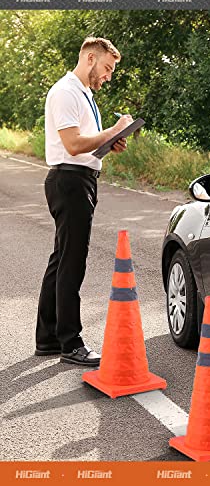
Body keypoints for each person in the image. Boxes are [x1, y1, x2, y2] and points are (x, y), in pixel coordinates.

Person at [35, 37, 134, 366]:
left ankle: (48, 337)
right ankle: (70, 342)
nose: (108, 76)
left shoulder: (84, 94)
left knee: (61, 258)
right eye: (107, 68)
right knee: (72, 262)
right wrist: (113, 129)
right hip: (70, 181)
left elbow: (87, 144)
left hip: (78, 180)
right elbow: (73, 144)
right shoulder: (65, 91)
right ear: (90, 59)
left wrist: (110, 141)